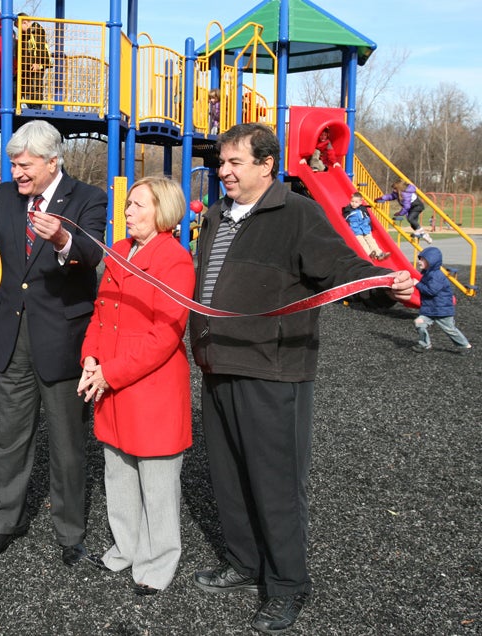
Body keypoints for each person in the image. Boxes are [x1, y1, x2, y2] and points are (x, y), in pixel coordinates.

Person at [189, 124, 414, 633]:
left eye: (234, 163)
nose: (223, 171)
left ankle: (287, 585)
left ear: (266, 164)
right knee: (228, 477)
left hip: (273, 370)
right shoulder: (220, 216)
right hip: (217, 363)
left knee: (276, 484)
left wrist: (383, 289)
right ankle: (246, 565)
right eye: (221, 163)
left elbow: (341, 268)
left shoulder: (296, 213)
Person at [0, 120, 108, 567]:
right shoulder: (4, 196)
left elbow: (92, 254)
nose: (17, 173)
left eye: (25, 166)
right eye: (14, 165)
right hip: (11, 339)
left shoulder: (87, 199)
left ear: (51, 161)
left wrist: (62, 239)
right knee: (9, 439)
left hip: (62, 340)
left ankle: (69, 532)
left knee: (66, 443)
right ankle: (4, 524)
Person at [77, 176, 195, 596]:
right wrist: (90, 358)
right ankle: (126, 547)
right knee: (119, 472)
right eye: (128, 204)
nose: (127, 211)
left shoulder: (176, 260)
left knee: (158, 481)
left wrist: (109, 373)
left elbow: (165, 335)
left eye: (138, 205)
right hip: (110, 377)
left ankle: (157, 562)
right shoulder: (121, 252)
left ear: (162, 211)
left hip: (151, 387)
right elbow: (100, 312)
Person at [412, 246, 472, 354]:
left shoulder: (436, 276)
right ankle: (425, 344)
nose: (419, 261)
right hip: (430, 309)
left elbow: (431, 291)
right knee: (419, 322)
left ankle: (465, 346)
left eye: (423, 259)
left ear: (432, 262)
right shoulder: (427, 273)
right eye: (420, 259)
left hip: (442, 310)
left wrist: (417, 284)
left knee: (450, 329)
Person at [342, 192, 390, 261]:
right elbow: (346, 219)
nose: (353, 203)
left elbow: (367, 218)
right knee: (363, 243)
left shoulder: (363, 209)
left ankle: (379, 254)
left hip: (365, 229)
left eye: (356, 202)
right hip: (356, 231)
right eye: (352, 201)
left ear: (360, 202)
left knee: (371, 241)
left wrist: (369, 226)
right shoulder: (348, 210)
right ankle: (369, 254)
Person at [18, 13, 51, 109]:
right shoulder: (26, 35)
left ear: (25, 23)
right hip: (27, 68)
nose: (19, 29)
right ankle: (32, 106)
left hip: (35, 67)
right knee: (27, 88)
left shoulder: (35, 33)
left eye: (18, 26)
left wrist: (40, 65)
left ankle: (36, 108)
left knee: (35, 88)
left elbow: (42, 51)